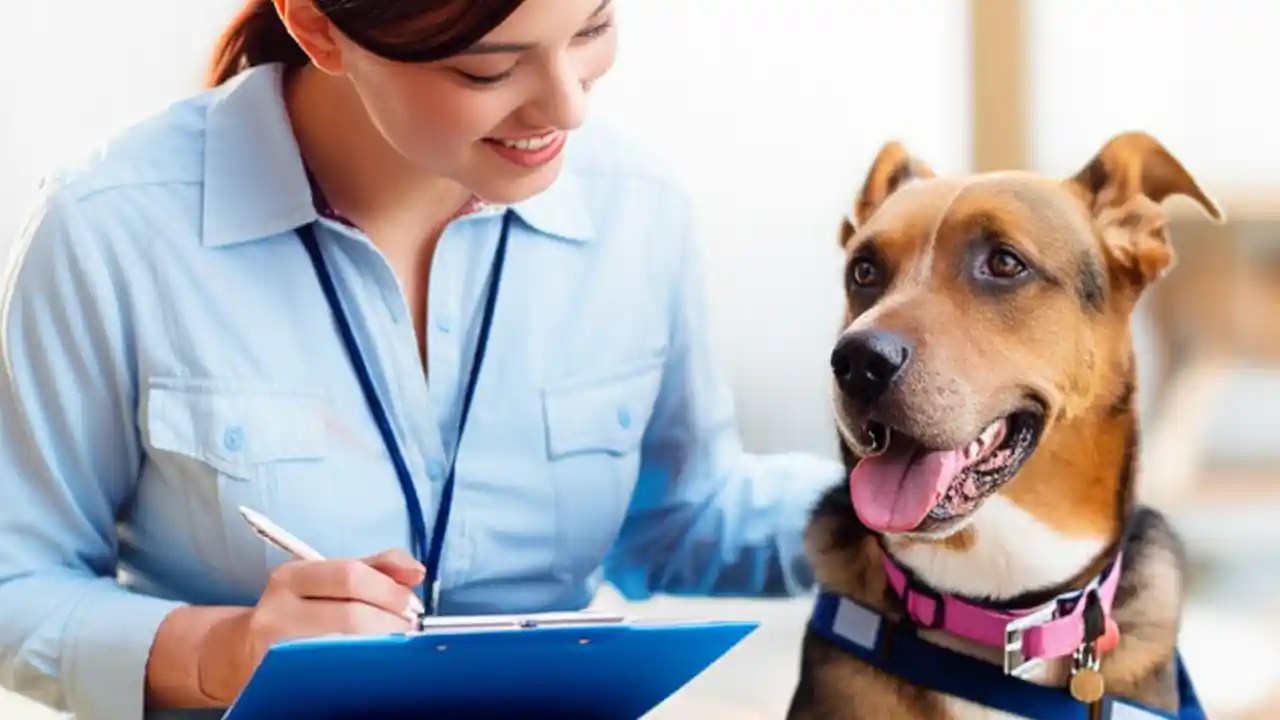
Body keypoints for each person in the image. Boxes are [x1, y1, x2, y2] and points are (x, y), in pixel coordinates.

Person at [0, 1, 842, 717]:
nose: (567, 107)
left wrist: (917, 515)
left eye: (592, 28)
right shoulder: (109, 229)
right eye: (487, 69)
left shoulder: (640, 208)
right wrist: (224, 649)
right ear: (317, 28)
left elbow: (680, 518)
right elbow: (15, 587)